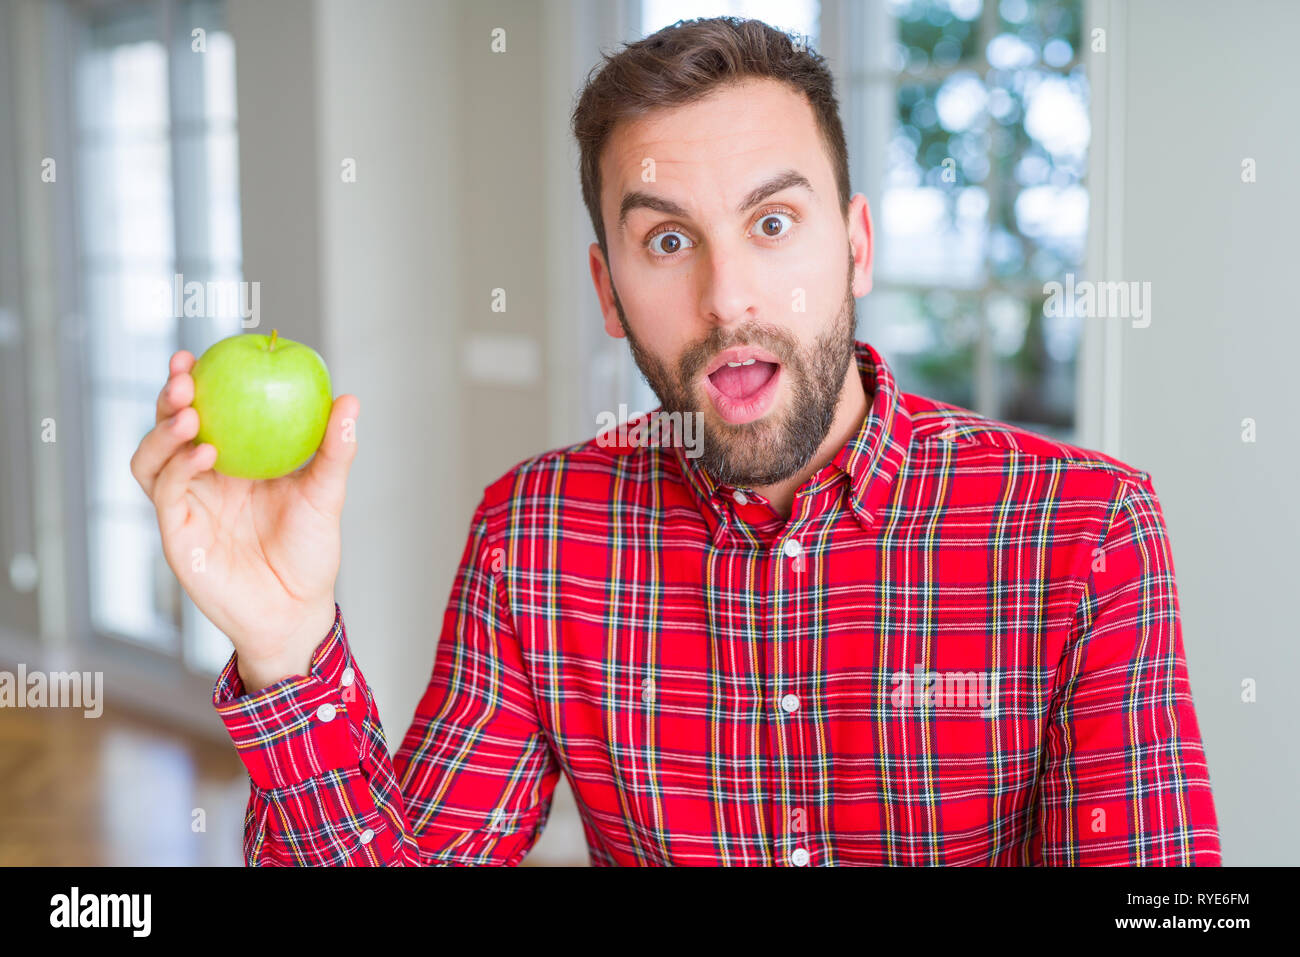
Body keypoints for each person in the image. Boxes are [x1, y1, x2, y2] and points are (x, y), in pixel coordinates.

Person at [130, 16, 1221, 866]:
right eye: (665, 240)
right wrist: (283, 648)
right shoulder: (536, 538)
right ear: (608, 290)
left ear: (856, 246)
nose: (726, 294)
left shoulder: (1084, 528)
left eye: (773, 223)